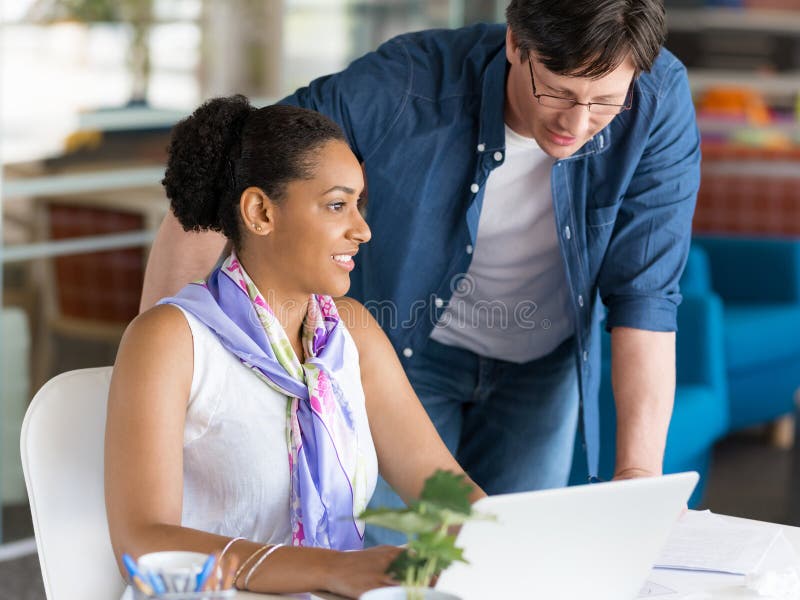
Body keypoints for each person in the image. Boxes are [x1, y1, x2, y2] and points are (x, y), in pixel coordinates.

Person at [139, 0, 701, 547]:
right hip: (401, 356)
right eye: (558, 90)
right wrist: (156, 369)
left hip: (542, 365)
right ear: (515, 43)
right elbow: (231, 173)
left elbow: (646, 295)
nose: (578, 123)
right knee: (377, 549)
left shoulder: (655, 99)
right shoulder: (403, 84)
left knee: (503, 561)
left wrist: (639, 479)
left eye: (605, 102)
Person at [105, 97, 485, 598]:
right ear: (261, 212)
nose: (362, 229)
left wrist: (521, 538)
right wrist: (327, 569)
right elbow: (144, 543)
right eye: (336, 205)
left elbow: (445, 494)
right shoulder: (169, 339)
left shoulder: (352, 332)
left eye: (358, 205)